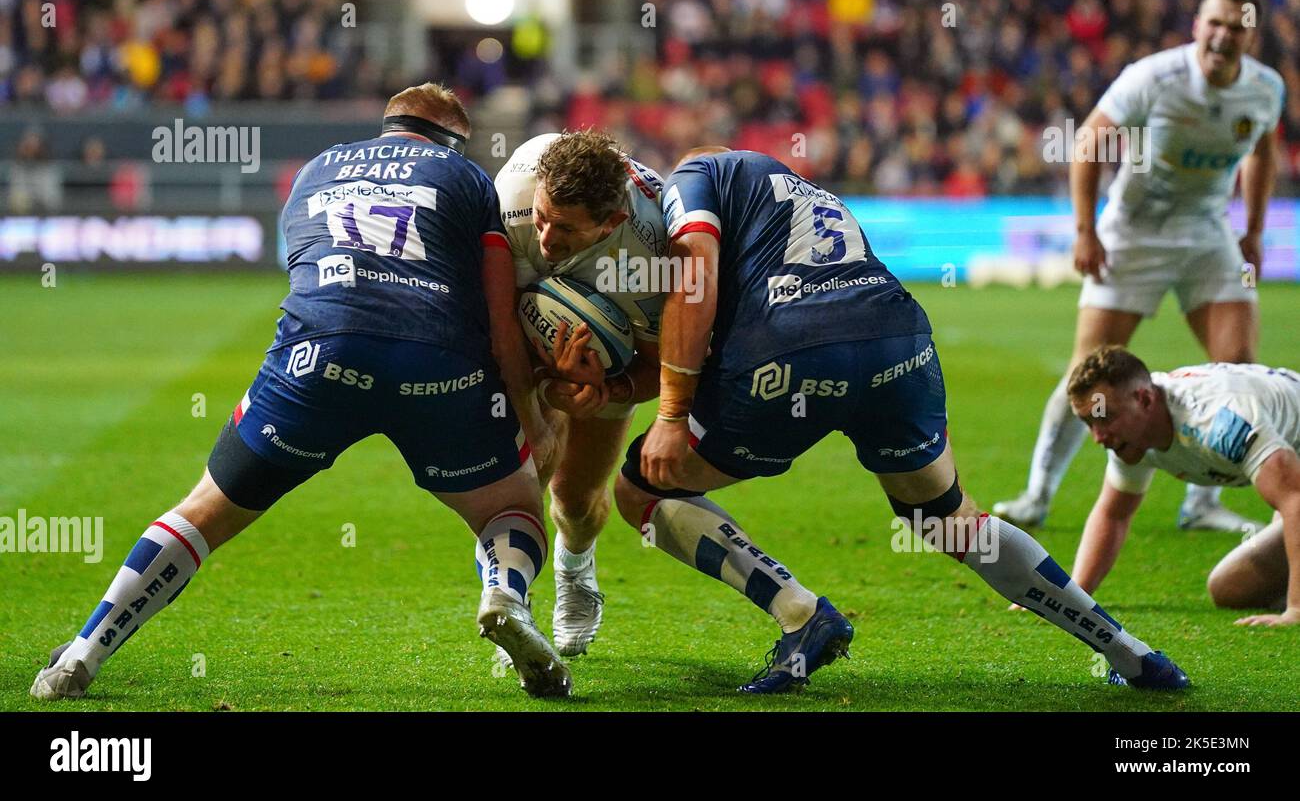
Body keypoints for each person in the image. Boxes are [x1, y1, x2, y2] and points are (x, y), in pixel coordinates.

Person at [31, 83, 573, 701]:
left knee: (204, 511)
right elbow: (501, 314)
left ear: (389, 125)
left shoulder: (317, 168)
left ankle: (83, 652)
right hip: (435, 357)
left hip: (318, 353)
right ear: (451, 140)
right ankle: (504, 593)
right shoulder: (467, 177)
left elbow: (307, 269)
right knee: (511, 509)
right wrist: (532, 416)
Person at [605, 146, 1188, 693]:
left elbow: (694, 276)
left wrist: (670, 412)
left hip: (792, 352)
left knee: (640, 489)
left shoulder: (690, 178)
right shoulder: (784, 190)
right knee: (948, 518)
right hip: (901, 341)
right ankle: (1130, 652)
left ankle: (801, 614)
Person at [995, 0, 1284, 533]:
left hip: (1206, 233)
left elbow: (1263, 153)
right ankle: (1037, 495)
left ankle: (1202, 504)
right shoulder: (1152, 77)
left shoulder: (1266, 90)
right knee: (1090, 368)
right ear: (1197, 25)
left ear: (1251, 36)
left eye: (1236, 27)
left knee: (1237, 365)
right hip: (1134, 231)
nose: (1223, 36)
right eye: (1214, 23)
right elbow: (1088, 145)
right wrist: (1086, 230)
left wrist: (1253, 231)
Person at [494, 130, 667, 655]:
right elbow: (498, 322)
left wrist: (605, 387)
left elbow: (669, 366)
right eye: (543, 219)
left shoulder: (656, 251)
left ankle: (575, 571)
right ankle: (510, 604)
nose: (545, 239)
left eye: (565, 229)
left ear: (611, 223)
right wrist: (544, 388)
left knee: (574, 498)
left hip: (616, 358)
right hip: (526, 333)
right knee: (520, 478)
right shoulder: (513, 195)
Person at [1063, 346, 1300, 627]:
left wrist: (1296, 611)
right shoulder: (1131, 432)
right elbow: (1113, 514)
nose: (1098, 437)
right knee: (1230, 587)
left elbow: (1295, 500)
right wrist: (1072, 596)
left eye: (1105, 418)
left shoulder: (1219, 421)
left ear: (1144, 399)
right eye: (1089, 422)